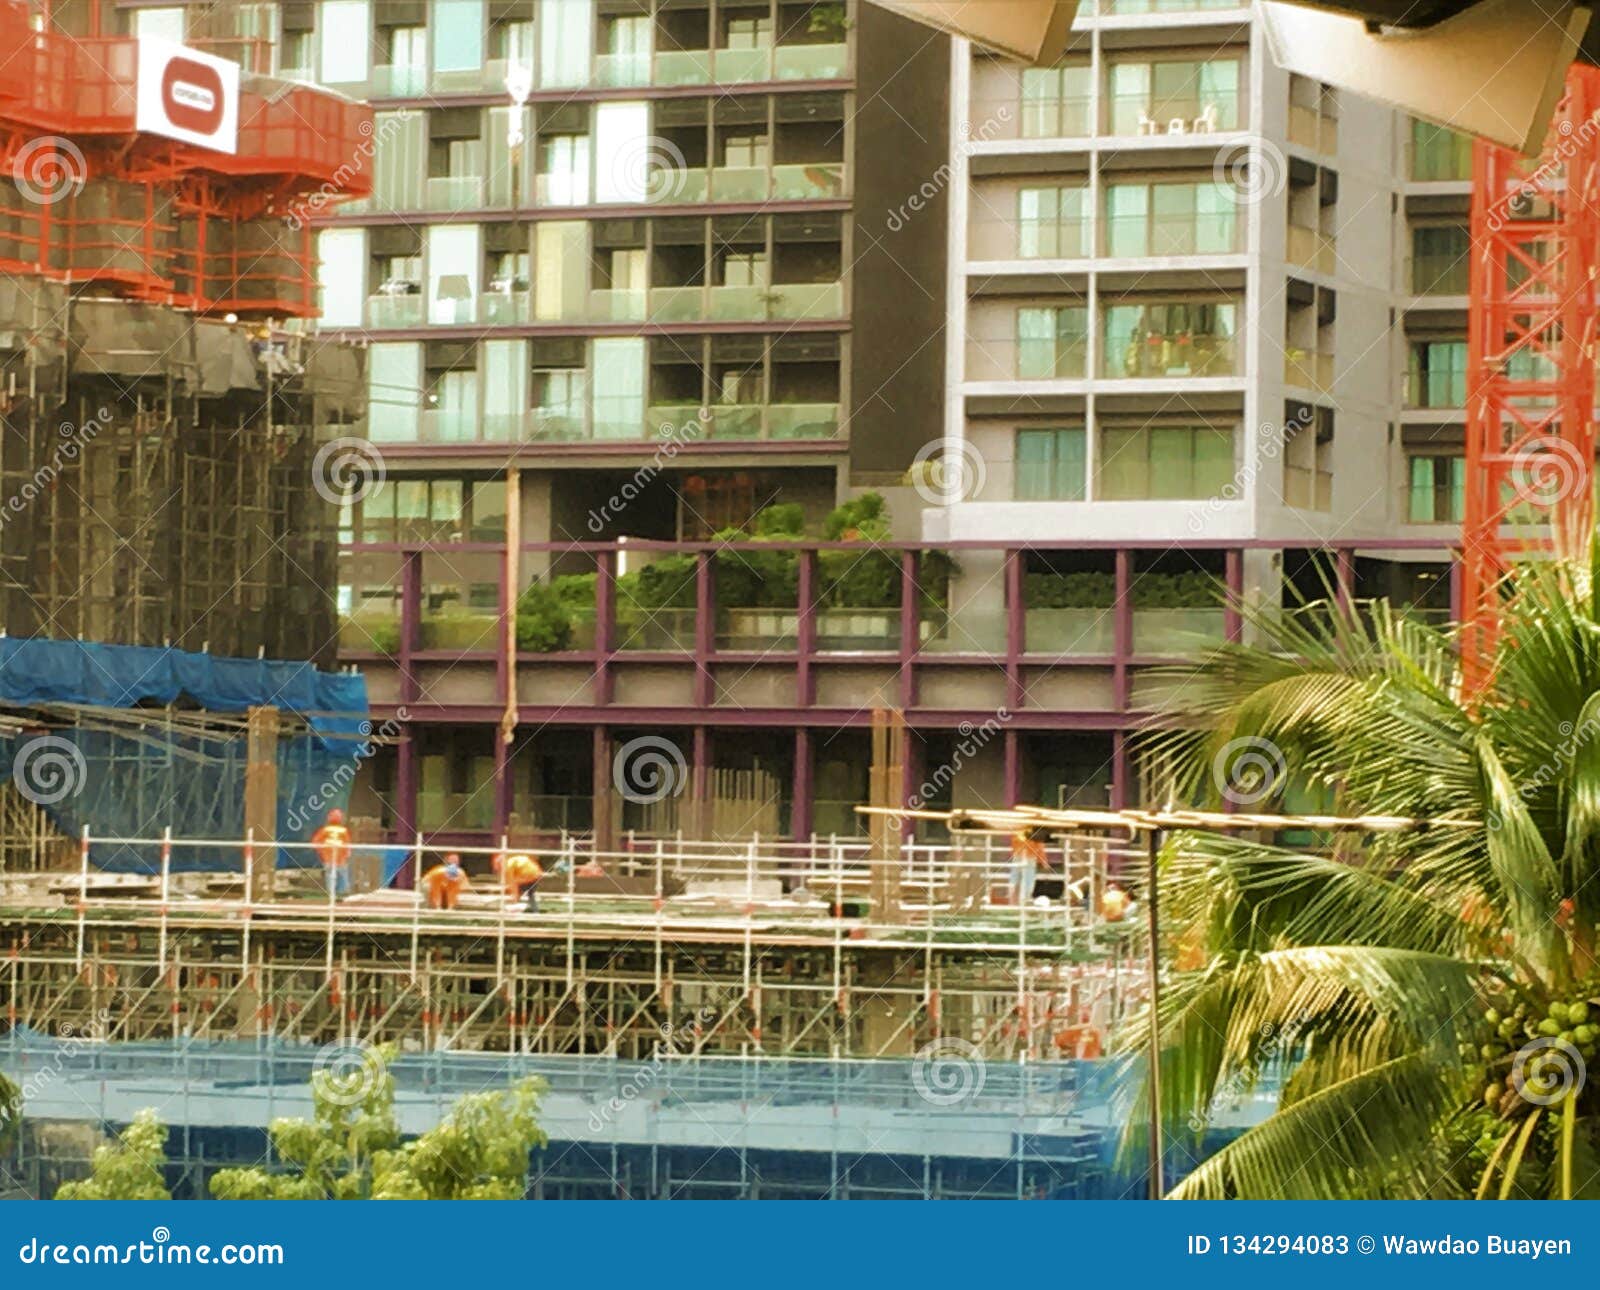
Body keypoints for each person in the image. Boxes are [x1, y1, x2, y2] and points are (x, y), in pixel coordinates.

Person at [310, 808, 352, 898]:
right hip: (339, 857)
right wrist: (347, 852)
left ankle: (332, 893)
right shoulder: (343, 830)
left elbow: (315, 842)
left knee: (331, 875)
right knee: (343, 874)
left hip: (329, 856)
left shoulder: (325, 829)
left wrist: (321, 850)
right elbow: (347, 844)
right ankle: (345, 892)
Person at [1008, 827, 1048, 906]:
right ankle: (1025, 901)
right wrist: (1043, 861)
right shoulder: (1035, 830)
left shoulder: (1018, 830)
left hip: (1017, 855)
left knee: (1014, 879)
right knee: (1028, 880)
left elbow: (1013, 844)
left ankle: (1012, 902)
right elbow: (1040, 846)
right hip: (1029, 856)